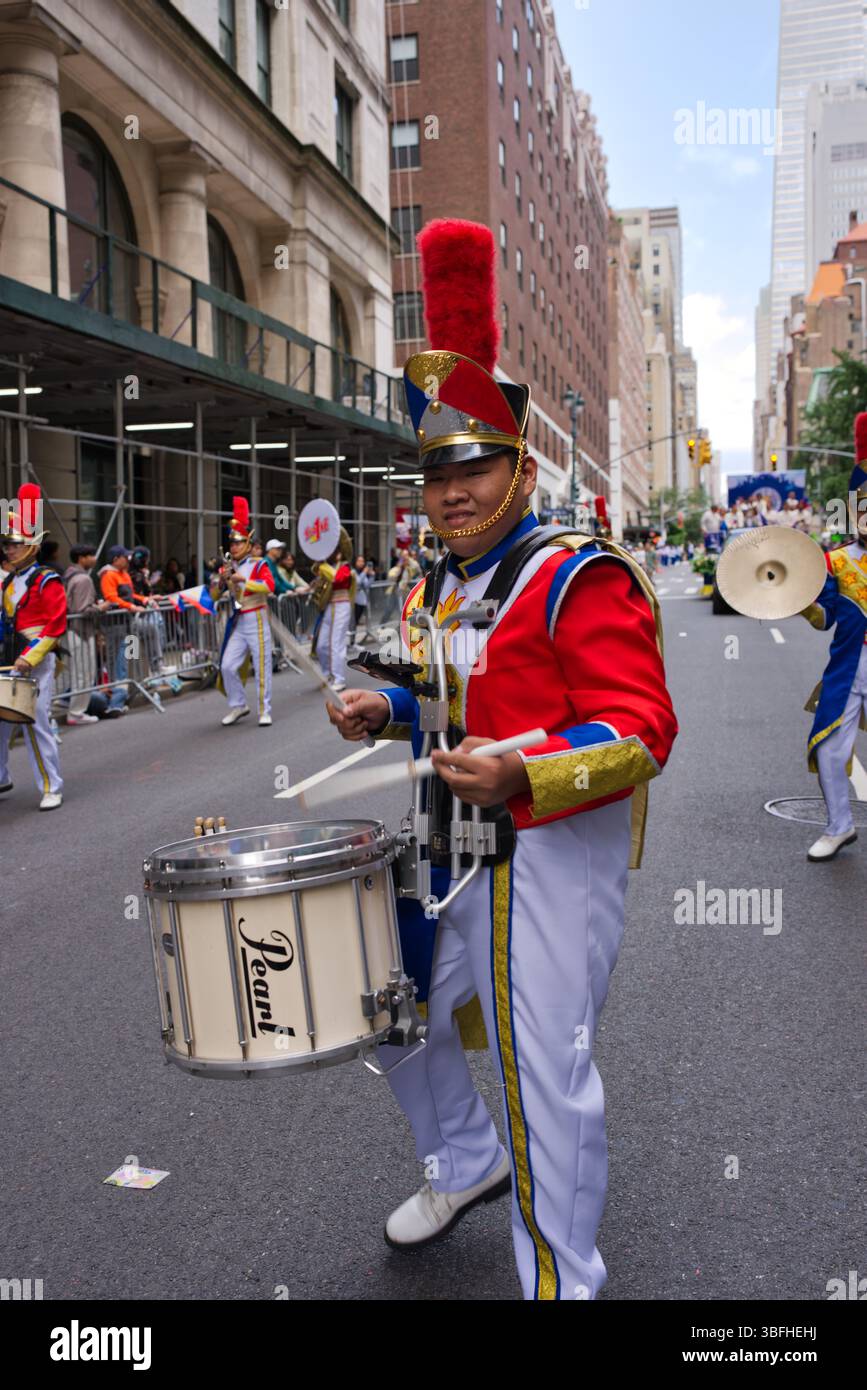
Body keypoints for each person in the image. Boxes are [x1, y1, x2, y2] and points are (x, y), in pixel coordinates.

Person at [327, 218, 678, 1301]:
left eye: (475, 468)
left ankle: (563, 1285)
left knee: (544, 1077)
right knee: (384, 1016)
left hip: (544, 854)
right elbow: (440, 695)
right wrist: (382, 705)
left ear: (522, 467)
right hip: (451, 842)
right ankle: (463, 1157)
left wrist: (526, 769)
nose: (452, 494)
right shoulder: (435, 586)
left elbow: (639, 726)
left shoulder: (578, 576)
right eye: (436, 477)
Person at [799, 412, 867, 861]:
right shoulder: (837, 561)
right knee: (828, 748)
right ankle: (839, 826)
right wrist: (799, 600)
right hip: (849, 669)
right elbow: (826, 620)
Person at [0, 484, 67, 809]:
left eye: (15, 544)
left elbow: (56, 625)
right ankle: (1, 777)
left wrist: (30, 657)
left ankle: (51, 785)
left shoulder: (46, 580)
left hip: (35, 661)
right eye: (7, 544)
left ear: (32, 545)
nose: (9, 550)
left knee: (35, 720)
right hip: (8, 658)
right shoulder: (7, 581)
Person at [214, 497, 275, 726]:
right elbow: (214, 596)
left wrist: (244, 581)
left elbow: (269, 587)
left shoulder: (259, 564)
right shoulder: (228, 567)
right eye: (232, 544)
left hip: (257, 618)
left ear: (248, 543)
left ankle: (264, 710)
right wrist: (221, 582)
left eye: (239, 543)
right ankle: (238, 705)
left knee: (262, 667)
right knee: (227, 665)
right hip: (238, 621)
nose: (234, 547)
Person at [62, 543, 105, 724]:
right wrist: (102, 607)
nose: (94, 559)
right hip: (81, 632)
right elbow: (83, 609)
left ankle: (76, 711)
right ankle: (76, 712)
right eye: (91, 555)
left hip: (73, 630)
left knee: (80, 672)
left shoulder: (69, 576)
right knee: (84, 673)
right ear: (82, 558)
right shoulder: (83, 579)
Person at [310, 527, 356, 692]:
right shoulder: (328, 567)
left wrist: (322, 566)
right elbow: (318, 575)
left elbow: (338, 579)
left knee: (336, 643)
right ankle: (326, 674)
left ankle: (339, 678)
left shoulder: (344, 566)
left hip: (342, 606)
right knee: (322, 644)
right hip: (329, 606)